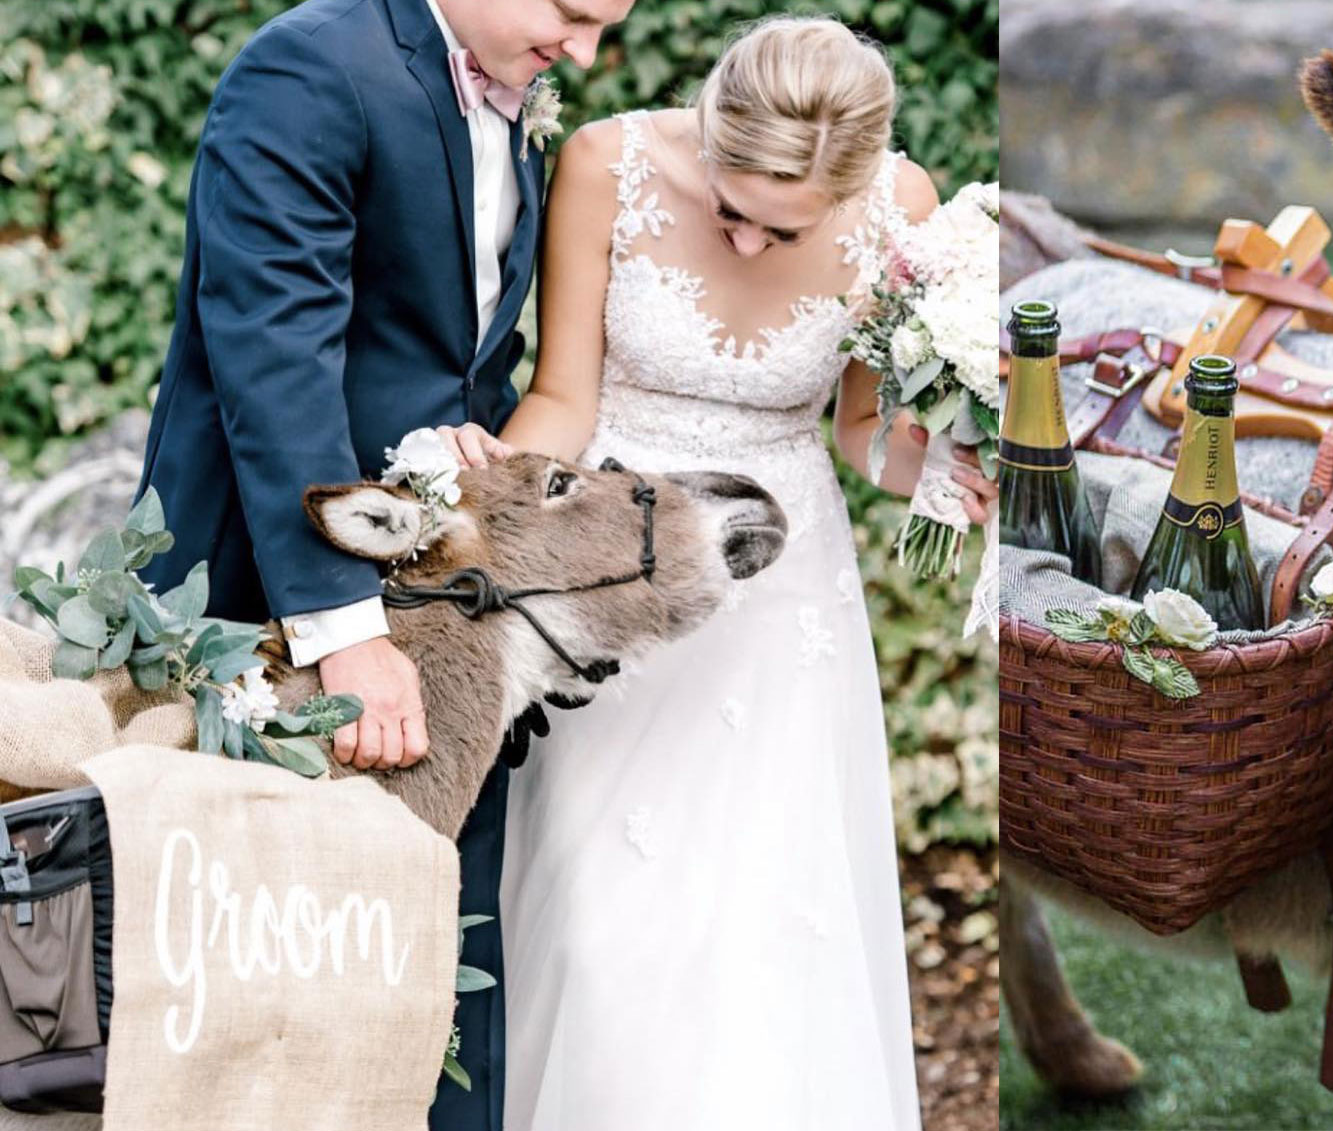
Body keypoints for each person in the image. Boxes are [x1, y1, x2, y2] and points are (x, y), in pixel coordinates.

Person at [438, 15, 990, 1128]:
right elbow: (565, 396)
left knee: (764, 927)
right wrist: (490, 493)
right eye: (731, 210)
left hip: (781, 596)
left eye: (783, 232)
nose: (744, 243)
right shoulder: (607, 163)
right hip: (609, 578)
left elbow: (861, 431)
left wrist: (947, 465)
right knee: (597, 919)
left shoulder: (906, 210)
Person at [131, 1, 631, 1127]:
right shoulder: (311, 69)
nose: (588, 51)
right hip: (266, 609)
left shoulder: (515, 91)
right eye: (573, 11)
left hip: (448, 617)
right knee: (244, 977)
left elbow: (451, 368)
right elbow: (274, 359)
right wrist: (345, 628)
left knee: (441, 958)